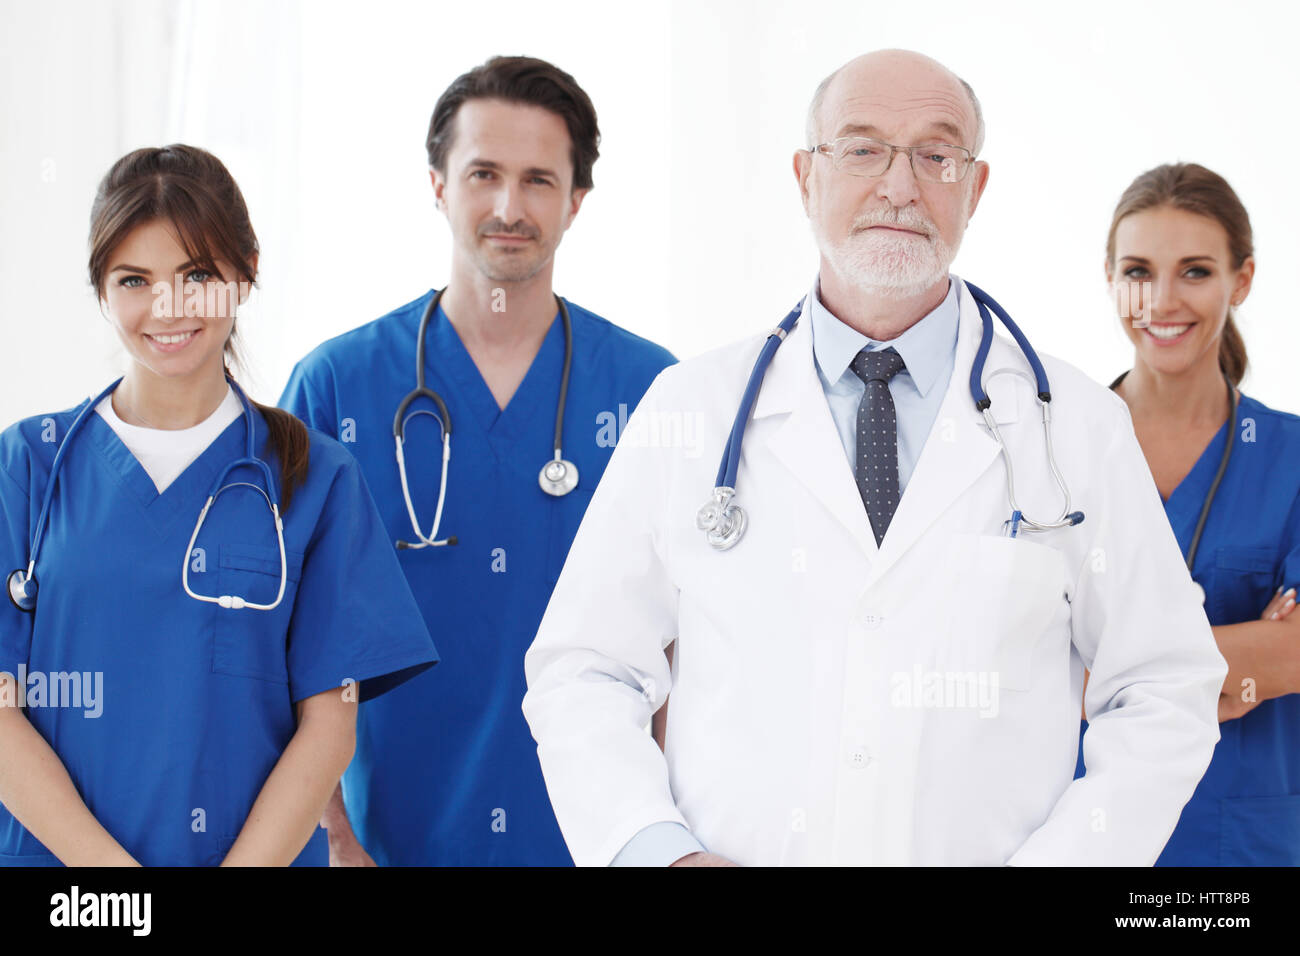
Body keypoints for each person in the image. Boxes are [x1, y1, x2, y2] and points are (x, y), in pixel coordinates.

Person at [521, 49, 1228, 867]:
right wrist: (655, 851)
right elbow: (584, 669)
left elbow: (1164, 687)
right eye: (862, 149)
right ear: (804, 177)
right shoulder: (692, 409)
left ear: (976, 187)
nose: (900, 187)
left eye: (937, 155)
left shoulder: (1076, 426)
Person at [279, 55, 675, 866]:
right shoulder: (335, 387)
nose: (507, 206)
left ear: (577, 201)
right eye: (482, 173)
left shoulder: (653, 392)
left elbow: (686, 648)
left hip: (598, 843)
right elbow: (283, 637)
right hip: (384, 843)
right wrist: (332, 833)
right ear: (436, 184)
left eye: (537, 179)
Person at [0, 145, 437, 866]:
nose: (168, 308)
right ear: (101, 290)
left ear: (247, 271)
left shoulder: (315, 477)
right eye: (134, 279)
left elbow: (329, 727)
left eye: (197, 275)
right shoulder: (28, 466)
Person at [1073, 162, 1300, 865]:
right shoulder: (1052, 449)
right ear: (1109, 276)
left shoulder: (1288, 456)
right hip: (1079, 833)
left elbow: (1294, 652)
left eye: (1196, 271)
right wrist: (1227, 664)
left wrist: (1103, 677)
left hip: (1244, 846)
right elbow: (1000, 663)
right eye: (1138, 271)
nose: (1161, 300)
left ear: (1244, 279)